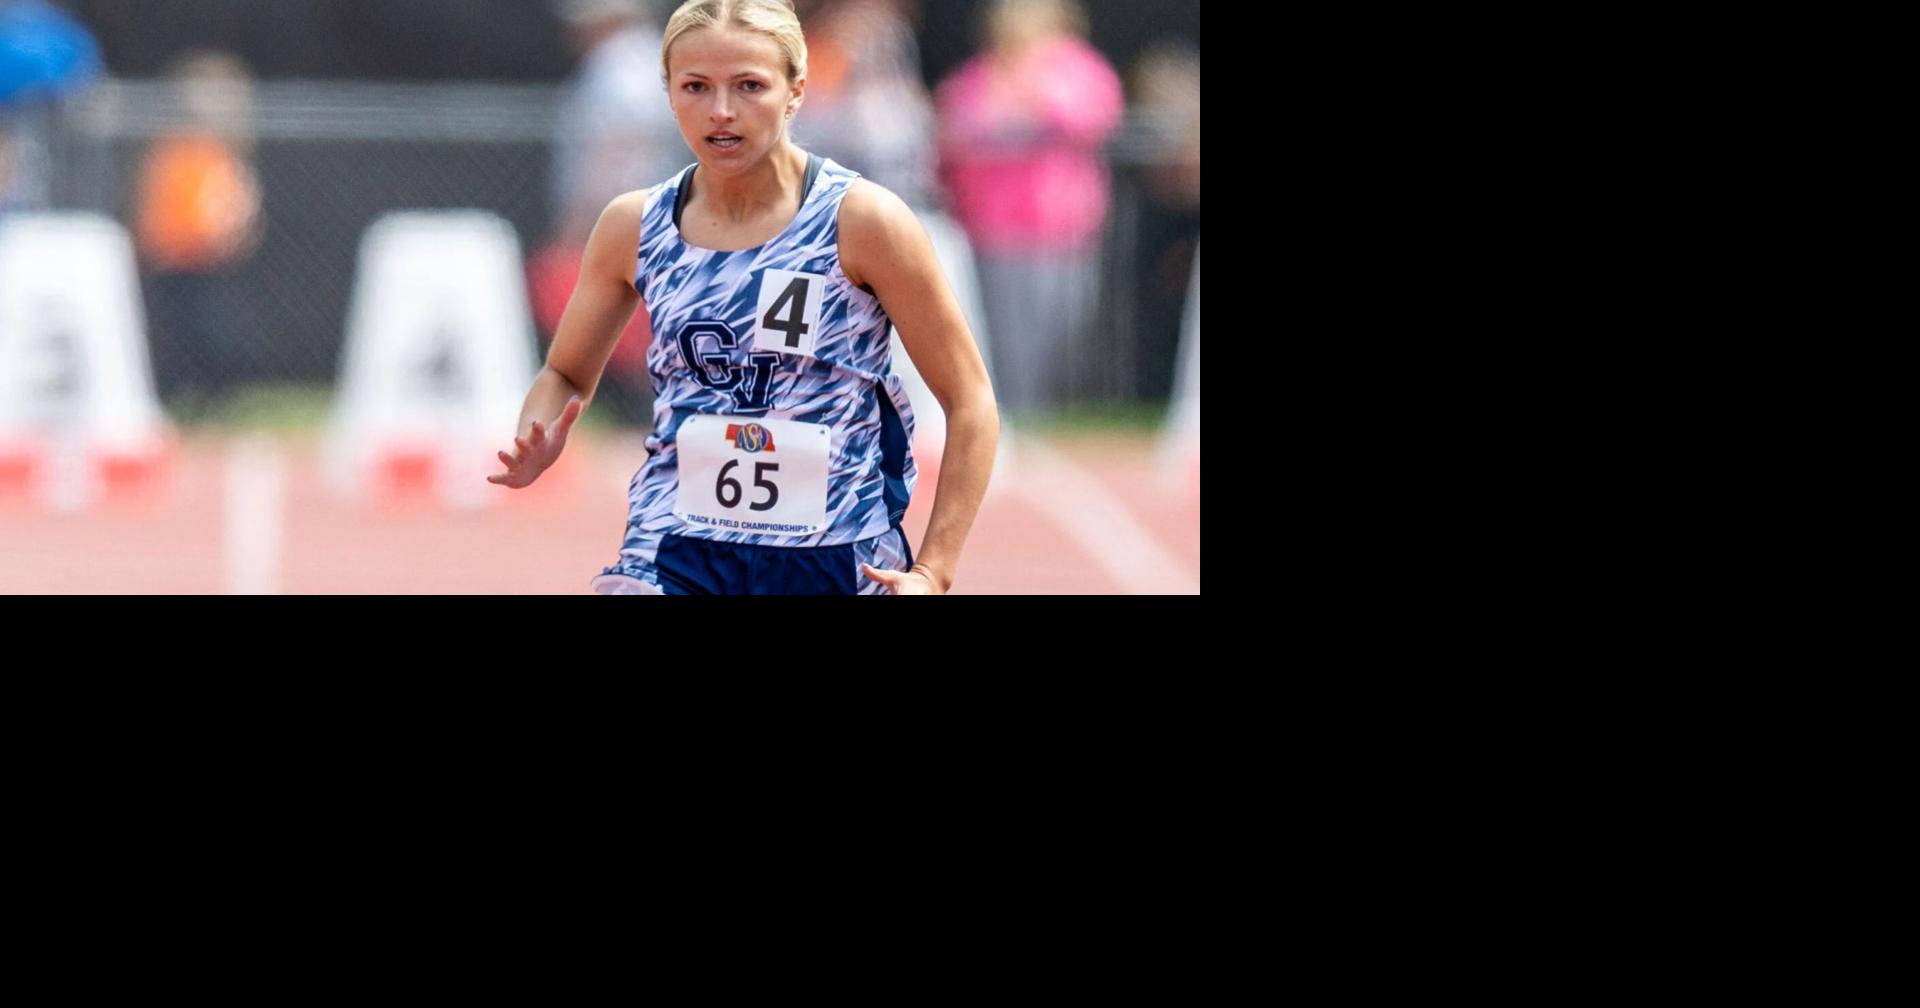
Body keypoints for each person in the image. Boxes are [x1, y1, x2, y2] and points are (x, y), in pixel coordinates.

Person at [490, 0, 998, 596]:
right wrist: (540, 431)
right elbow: (565, 372)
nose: (721, 111)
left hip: (834, 552)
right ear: (668, 92)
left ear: (796, 90)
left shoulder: (863, 222)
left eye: (749, 86)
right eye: (696, 87)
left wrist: (933, 572)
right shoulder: (635, 225)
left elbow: (970, 401)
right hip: (676, 544)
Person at [933, 0, 1121, 415]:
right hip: (994, 226)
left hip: (1065, 225)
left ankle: (1046, 410)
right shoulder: (978, 75)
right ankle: (1012, 413)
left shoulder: (1078, 69)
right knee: (1005, 332)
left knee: (1064, 325)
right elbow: (954, 133)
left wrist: (1036, 90)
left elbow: (1095, 119)